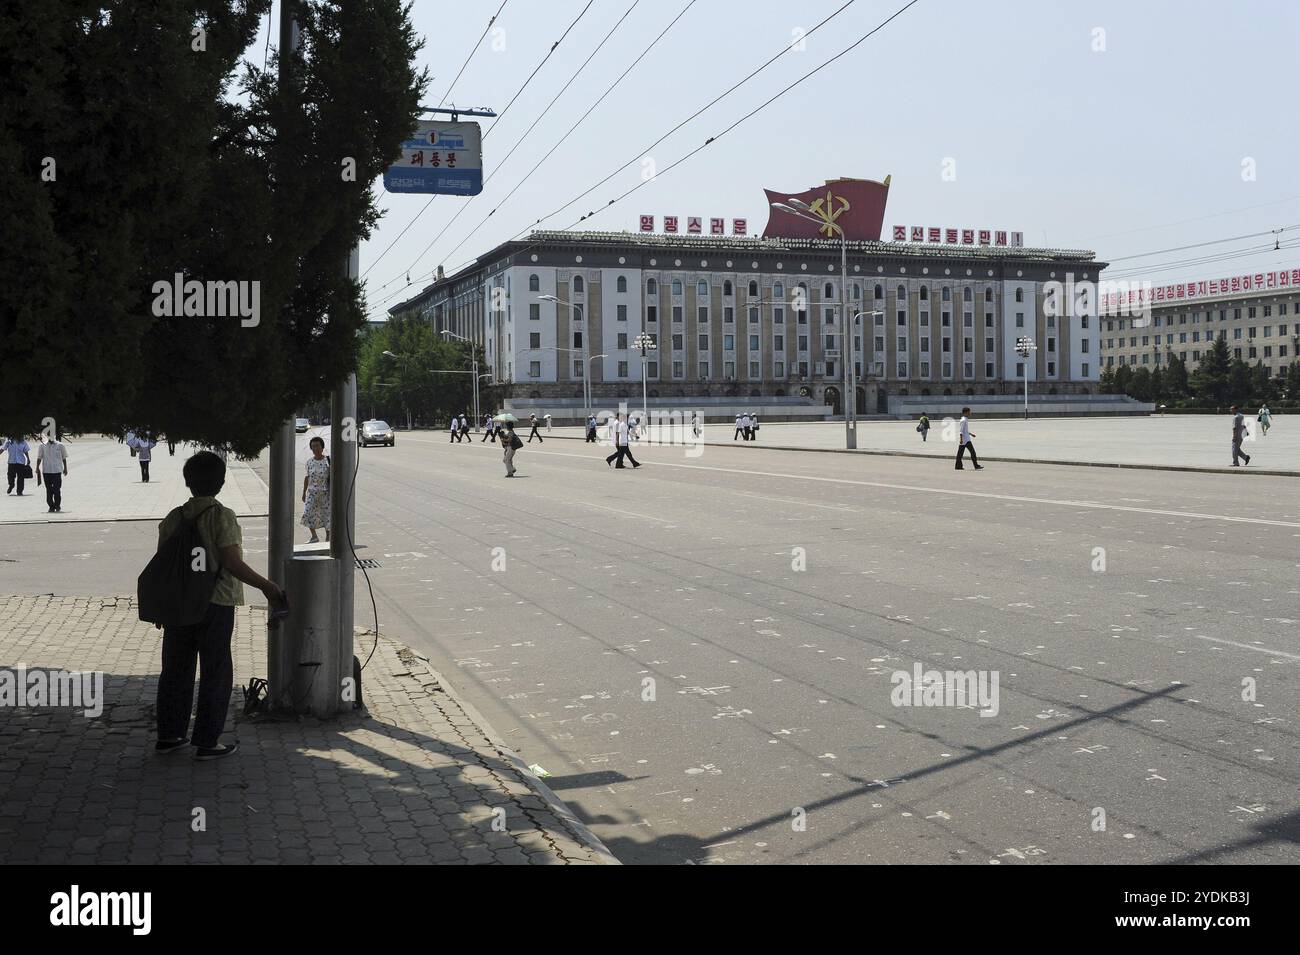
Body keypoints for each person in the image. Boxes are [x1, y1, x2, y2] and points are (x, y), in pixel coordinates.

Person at [154, 451, 285, 761]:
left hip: (179, 605)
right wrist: (267, 587)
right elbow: (231, 563)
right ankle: (207, 741)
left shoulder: (173, 518)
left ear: (187, 482)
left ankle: (170, 735)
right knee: (216, 670)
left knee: (175, 670)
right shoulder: (221, 515)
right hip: (216, 604)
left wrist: (161, 606)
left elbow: (164, 566)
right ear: (222, 482)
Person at [300, 436, 331, 543]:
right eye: (313, 446)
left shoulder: (328, 461)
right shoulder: (309, 462)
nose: (315, 448)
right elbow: (307, 477)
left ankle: (328, 537)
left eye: (317, 446)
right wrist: (304, 492)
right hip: (312, 493)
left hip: (325, 493)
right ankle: (314, 536)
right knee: (308, 513)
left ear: (322, 447)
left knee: (326, 515)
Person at [36, 434, 69, 513]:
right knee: (49, 490)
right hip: (46, 471)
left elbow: (64, 457)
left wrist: (65, 468)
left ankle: (57, 505)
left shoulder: (60, 445)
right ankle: (51, 506)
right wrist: (37, 467)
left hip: (57, 471)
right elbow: (39, 457)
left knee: (57, 489)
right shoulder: (42, 446)